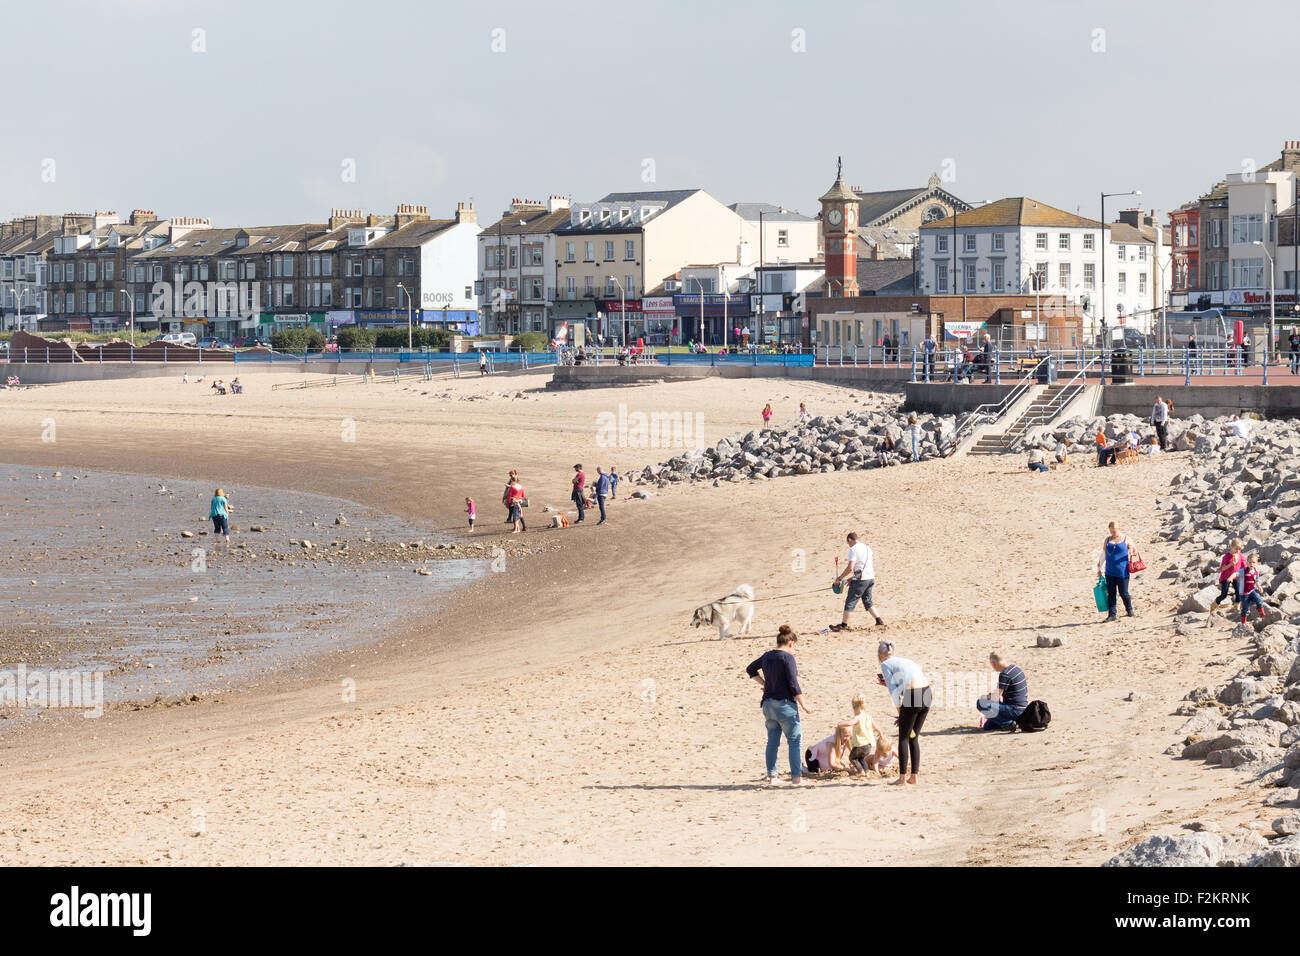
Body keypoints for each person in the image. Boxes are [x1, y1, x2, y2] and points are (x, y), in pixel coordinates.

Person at [746, 625, 812, 786]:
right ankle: (796, 778)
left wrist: (764, 684)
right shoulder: (787, 658)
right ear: (790, 643)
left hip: (768, 704)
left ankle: (772, 777)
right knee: (794, 741)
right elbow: (793, 683)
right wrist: (804, 705)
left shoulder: (768, 655)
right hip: (785, 705)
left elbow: (750, 669)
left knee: (772, 742)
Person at [876, 641, 931, 786]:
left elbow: (893, 692)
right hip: (926, 693)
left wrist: (900, 713)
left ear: (880, 655)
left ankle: (902, 779)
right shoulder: (906, 660)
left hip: (913, 696)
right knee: (913, 736)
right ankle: (914, 777)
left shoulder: (885, 664)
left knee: (903, 738)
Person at [830, 531, 884, 631]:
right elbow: (863, 565)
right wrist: (852, 578)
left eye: (848, 543)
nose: (848, 545)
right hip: (870, 578)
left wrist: (840, 578)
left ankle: (843, 625)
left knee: (850, 601)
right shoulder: (867, 548)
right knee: (867, 601)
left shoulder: (853, 549)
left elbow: (851, 567)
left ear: (849, 540)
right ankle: (879, 620)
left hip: (861, 580)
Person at [976, 652, 1028, 730]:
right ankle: (1010, 722)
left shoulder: (1004, 674)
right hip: (1023, 709)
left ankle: (1008, 724)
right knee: (988, 726)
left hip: (1015, 710)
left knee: (980, 703)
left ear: (994, 663)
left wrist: (986, 697)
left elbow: (996, 698)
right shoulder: (1016, 669)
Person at [837, 695, 886, 774]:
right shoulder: (868, 717)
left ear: (855, 708)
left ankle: (861, 772)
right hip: (868, 744)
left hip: (860, 744)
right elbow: (877, 728)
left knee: (852, 758)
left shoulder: (857, 718)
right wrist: (881, 735)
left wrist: (839, 725)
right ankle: (866, 772)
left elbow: (850, 723)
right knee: (861, 758)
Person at [1096, 520, 1135, 621]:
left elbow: (1133, 550)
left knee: (1124, 593)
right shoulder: (1108, 540)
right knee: (1111, 593)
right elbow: (1104, 553)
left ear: (1119, 529)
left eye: (1115, 531)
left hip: (1122, 571)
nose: (1113, 533)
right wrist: (1099, 567)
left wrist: (1131, 551)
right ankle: (1112, 614)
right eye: (1111, 531)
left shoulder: (1126, 539)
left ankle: (1129, 609)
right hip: (1109, 571)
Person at [1208, 538, 1246, 619]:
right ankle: (1214, 605)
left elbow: (1244, 566)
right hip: (1226, 577)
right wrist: (1232, 563)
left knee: (1239, 592)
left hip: (1236, 576)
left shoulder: (1240, 556)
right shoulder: (1226, 557)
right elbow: (1222, 569)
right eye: (1236, 549)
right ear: (1231, 547)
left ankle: (1237, 606)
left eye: (1239, 549)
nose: (1238, 551)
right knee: (1224, 594)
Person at [1240, 553, 1266, 624]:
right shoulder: (1244, 571)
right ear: (1247, 562)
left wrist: (1259, 587)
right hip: (1244, 593)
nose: (1251, 564)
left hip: (1252, 591)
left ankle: (1261, 612)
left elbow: (1256, 581)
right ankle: (1243, 621)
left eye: (1253, 562)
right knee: (1245, 608)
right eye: (1249, 562)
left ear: (1256, 563)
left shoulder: (1256, 572)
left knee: (1259, 599)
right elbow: (1237, 574)